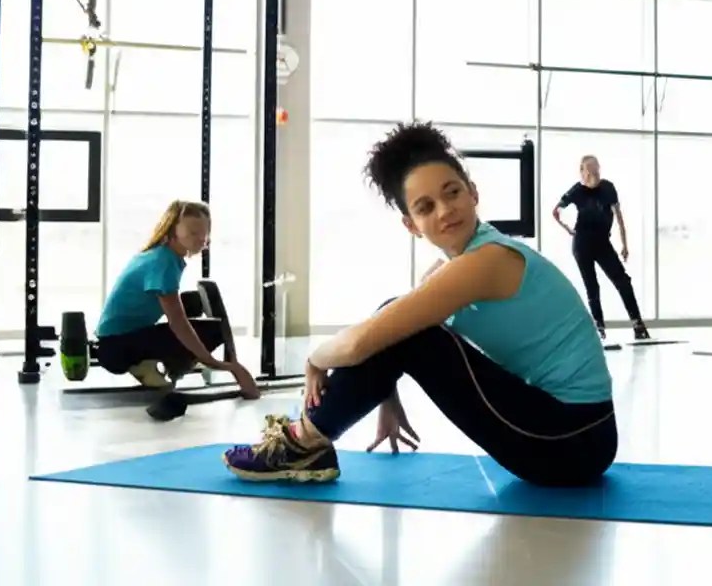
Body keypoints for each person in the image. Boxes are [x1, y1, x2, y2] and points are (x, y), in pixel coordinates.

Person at [223, 122, 618, 486]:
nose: (446, 211)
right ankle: (308, 441)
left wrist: (314, 359)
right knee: (399, 312)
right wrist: (385, 395)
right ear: (411, 225)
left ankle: (301, 442)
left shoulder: (487, 260)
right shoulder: (454, 268)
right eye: (426, 207)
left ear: (472, 192)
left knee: (412, 330)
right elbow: (389, 330)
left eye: (452, 192)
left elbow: (364, 343)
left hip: (572, 441)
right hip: (568, 432)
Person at [96, 200, 258, 397]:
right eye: (193, 233)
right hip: (116, 349)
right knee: (214, 331)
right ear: (173, 229)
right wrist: (224, 365)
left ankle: (151, 363)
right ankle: (142, 363)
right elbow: (177, 322)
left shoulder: (162, 255)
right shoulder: (163, 261)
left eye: (204, 234)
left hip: (115, 342)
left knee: (191, 303)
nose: (201, 240)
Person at [552, 156, 650, 342]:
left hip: (603, 242)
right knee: (592, 287)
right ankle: (600, 328)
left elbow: (618, 216)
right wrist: (568, 230)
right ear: (583, 172)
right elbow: (555, 211)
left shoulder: (608, 188)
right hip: (582, 244)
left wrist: (624, 244)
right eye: (589, 170)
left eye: (596, 169)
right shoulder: (577, 191)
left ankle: (638, 325)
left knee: (622, 280)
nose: (594, 174)